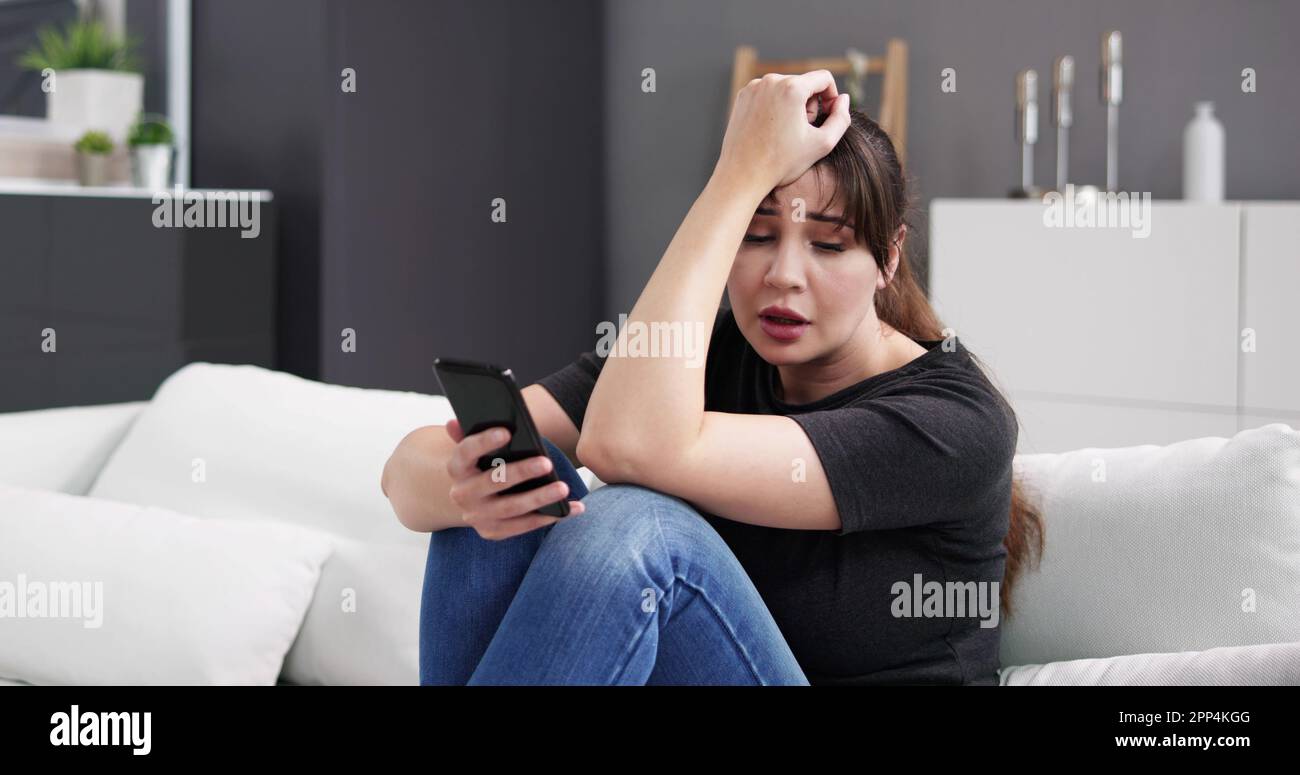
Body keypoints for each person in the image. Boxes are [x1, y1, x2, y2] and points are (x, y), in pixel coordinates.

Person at [382, 70, 1043, 685]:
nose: (783, 274)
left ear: (889, 257)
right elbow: (405, 471)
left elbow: (631, 447)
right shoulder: (711, 355)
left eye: (828, 244)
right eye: (755, 235)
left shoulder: (954, 421)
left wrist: (738, 174)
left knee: (639, 525)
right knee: (512, 472)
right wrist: (470, 489)